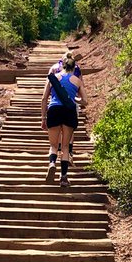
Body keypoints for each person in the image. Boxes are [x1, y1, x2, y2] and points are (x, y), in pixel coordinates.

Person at [41, 54, 86, 186]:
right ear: (73, 68)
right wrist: (75, 99)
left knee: (53, 145)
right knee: (65, 146)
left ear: (62, 66)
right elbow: (85, 101)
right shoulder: (77, 81)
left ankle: (52, 163)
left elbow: (44, 99)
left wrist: (43, 117)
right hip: (69, 112)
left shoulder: (53, 78)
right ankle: (64, 178)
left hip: (54, 110)